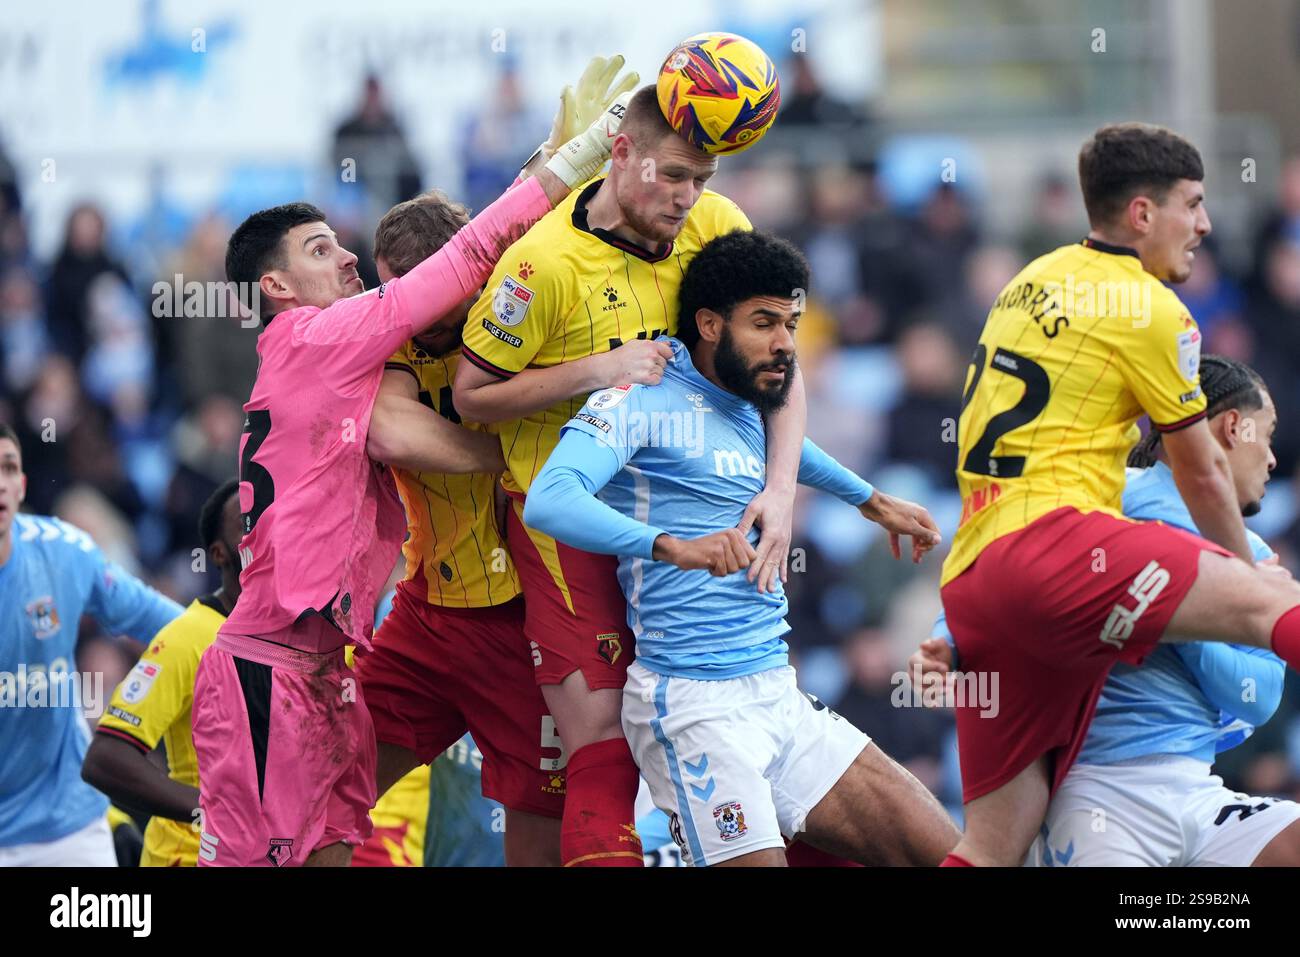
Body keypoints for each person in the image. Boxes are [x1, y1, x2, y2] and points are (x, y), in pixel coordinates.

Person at [191, 75, 633, 867]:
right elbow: (463, 261)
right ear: (277, 288)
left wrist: (551, 170)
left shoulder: (361, 351)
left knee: (331, 846)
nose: (351, 261)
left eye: (343, 243)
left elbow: (487, 256)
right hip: (284, 658)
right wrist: (588, 148)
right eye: (322, 250)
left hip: (336, 661)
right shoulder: (327, 339)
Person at [453, 85, 809, 867]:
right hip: (569, 515)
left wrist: (783, 492)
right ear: (621, 154)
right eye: (673, 176)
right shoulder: (539, 263)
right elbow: (470, 397)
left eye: (702, 180)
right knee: (604, 742)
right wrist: (595, 368)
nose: (688, 199)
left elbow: (779, 361)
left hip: (687, 501)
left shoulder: (716, 224)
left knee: (725, 732)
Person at [526, 230, 958, 866]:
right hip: (693, 707)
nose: (785, 341)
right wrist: (673, 547)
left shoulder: (750, 396)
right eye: (764, 322)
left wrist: (869, 500)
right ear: (708, 323)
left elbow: (775, 449)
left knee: (949, 854)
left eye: (791, 322)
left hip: (775, 694)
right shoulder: (639, 395)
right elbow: (551, 497)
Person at [938, 122, 1300, 867]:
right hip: (1053, 542)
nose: (1204, 224)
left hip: (975, 571)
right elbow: (1198, 470)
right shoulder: (1153, 309)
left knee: (990, 845)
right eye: (1192, 205)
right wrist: (1246, 571)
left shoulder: (1028, 279)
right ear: (1143, 213)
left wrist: (952, 646)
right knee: (1270, 598)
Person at [915, 357, 1300, 866]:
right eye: (1266, 436)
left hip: (1200, 787)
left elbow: (1261, 696)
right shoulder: (1106, 502)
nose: (1273, 459)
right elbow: (1005, 567)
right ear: (1233, 427)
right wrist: (949, 638)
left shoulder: (1251, 552)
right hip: (1099, 792)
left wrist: (1181, 622)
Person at [0, 423, 182, 865]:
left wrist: (252, 656)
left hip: (67, 829)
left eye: (7, 468)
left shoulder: (65, 554)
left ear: (21, 486)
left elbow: (171, 626)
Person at [82, 480, 241, 866]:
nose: (265, 530)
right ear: (218, 554)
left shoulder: (308, 638)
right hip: (187, 856)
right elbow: (105, 758)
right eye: (247, 523)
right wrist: (213, 813)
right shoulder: (191, 636)